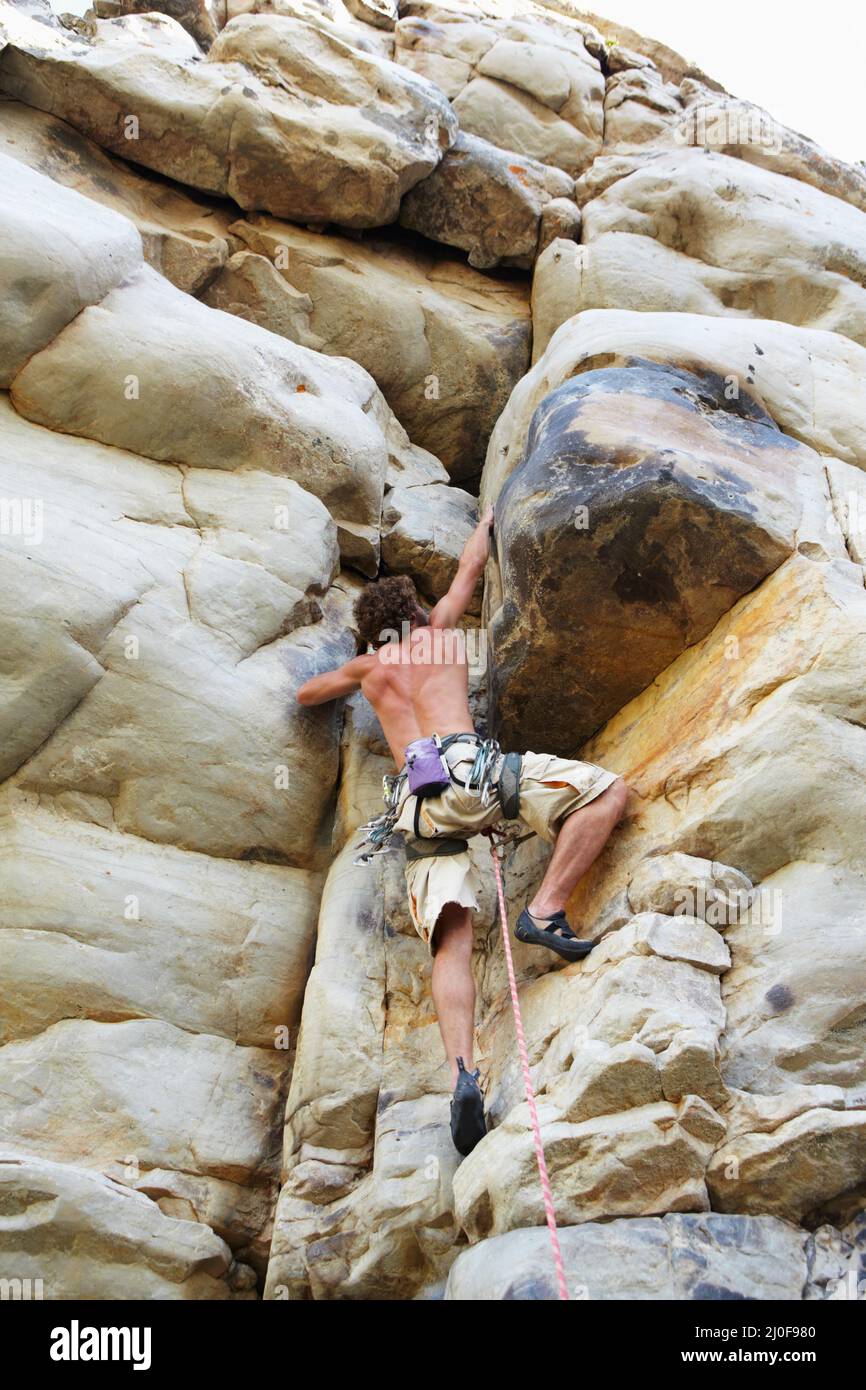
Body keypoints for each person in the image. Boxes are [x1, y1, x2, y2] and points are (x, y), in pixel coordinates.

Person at [297, 507, 628, 1156]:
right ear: (417, 612)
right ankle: (546, 910)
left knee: (450, 942)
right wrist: (488, 519)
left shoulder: (370, 672)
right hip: (470, 774)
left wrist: (358, 657)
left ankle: (462, 1076)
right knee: (605, 793)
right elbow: (472, 568)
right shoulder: (440, 628)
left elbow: (309, 694)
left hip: (416, 809)